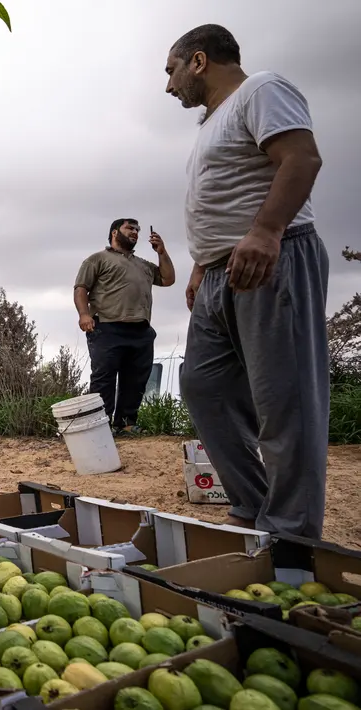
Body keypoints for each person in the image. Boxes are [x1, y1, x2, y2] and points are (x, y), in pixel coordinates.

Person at [165, 24, 328, 537]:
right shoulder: (211, 124)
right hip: (219, 274)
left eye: (170, 72)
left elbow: (301, 158)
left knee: (284, 401)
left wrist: (267, 230)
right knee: (203, 387)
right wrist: (200, 264)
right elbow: (224, 196)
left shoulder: (261, 89)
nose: (168, 87)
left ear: (197, 61)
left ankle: (292, 536)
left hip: (270, 261)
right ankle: (253, 504)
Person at [74, 218, 176, 435]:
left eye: (137, 229)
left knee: (136, 379)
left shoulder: (143, 265)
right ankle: (101, 426)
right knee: (104, 378)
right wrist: (84, 314)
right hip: (106, 327)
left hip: (140, 329)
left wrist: (161, 252)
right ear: (114, 232)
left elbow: (168, 279)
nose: (135, 232)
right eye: (130, 228)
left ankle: (126, 424)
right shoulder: (97, 259)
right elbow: (81, 288)